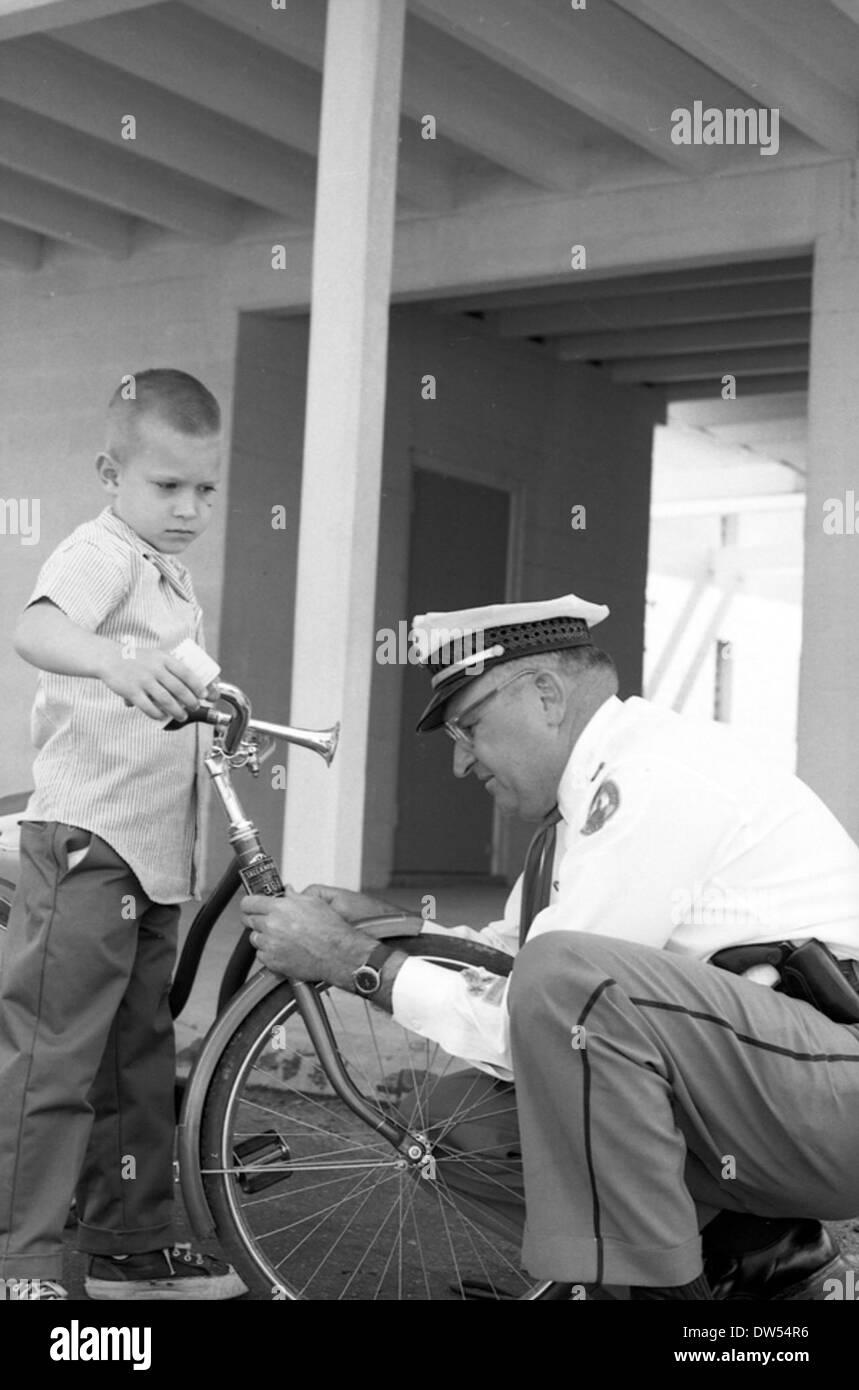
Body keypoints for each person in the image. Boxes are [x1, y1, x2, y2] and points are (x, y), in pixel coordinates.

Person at [242, 594, 859, 1300]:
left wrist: (356, 961)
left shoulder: (654, 775)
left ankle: (664, 1302)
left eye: (469, 726)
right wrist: (383, 924)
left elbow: (553, 1010)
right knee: (451, 1119)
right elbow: (511, 965)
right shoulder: (575, 813)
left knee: (566, 976)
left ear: (544, 694)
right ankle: (767, 1267)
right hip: (769, 1097)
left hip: (829, 1099)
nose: (458, 762)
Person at [0, 369, 244, 1300]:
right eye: (167, 486)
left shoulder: (169, 577)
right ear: (112, 472)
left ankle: (128, 1247)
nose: (190, 507)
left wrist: (215, 706)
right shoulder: (98, 552)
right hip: (87, 841)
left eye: (206, 488)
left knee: (136, 1060)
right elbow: (38, 628)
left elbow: (173, 684)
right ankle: (20, 1259)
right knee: (53, 1057)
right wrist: (107, 655)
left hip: (152, 854)